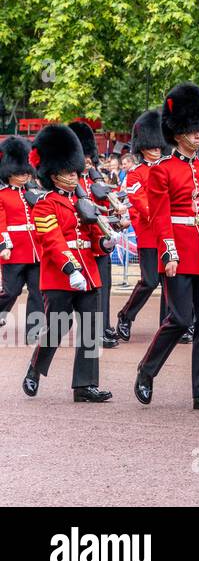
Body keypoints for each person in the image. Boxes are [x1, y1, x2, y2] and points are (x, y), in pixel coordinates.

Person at [135, 83, 199, 410]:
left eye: (198, 129)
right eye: (191, 130)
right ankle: (147, 370)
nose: (197, 135)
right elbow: (161, 217)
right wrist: (169, 252)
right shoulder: (162, 170)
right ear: (177, 134)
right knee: (179, 318)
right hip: (179, 251)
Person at [22, 124, 112, 402]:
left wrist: (104, 242)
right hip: (62, 275)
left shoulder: (80, 201)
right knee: (57, 327)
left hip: (88, 270)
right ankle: (34, 370)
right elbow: (52, 240)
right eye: (68, 172)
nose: (74, 176)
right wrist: (70, 268)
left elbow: (92, 233)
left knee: (90, 327)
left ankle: (84, 385)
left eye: (75, 171)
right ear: (53, 175)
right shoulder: (44, 204)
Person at [115, 110, 165, 342]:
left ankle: (170, 324)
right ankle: (126, 315)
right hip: (149, 234)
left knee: (171, 282)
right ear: (142, 146)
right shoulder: (135, 174)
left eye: (158, 146)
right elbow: (141, 202)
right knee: (150, 281)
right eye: (152, 146)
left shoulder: (168, 168)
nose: (156, 149)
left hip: (170, 235)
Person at [69, 121, 119, 350]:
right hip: (83, 245)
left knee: (105, 286)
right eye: (84, 157)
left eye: (89, 156)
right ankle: (91, 330)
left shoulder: (96, 179)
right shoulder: (72, 182)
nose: (88, 160)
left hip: (103, 242)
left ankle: (104, 326)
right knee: (86, 291)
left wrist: (117, 216)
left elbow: (106, 208)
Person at [0, 135, 43, 343]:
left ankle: (33, 332)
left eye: (26, 171)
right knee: (11, 292)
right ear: (9, 173)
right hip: (14, 250)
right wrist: (3, 246)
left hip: (35, 250)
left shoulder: (33, 192)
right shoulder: (2, 195)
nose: (25, 175)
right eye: (20, 172)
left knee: (37, 292)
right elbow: (1, 223)